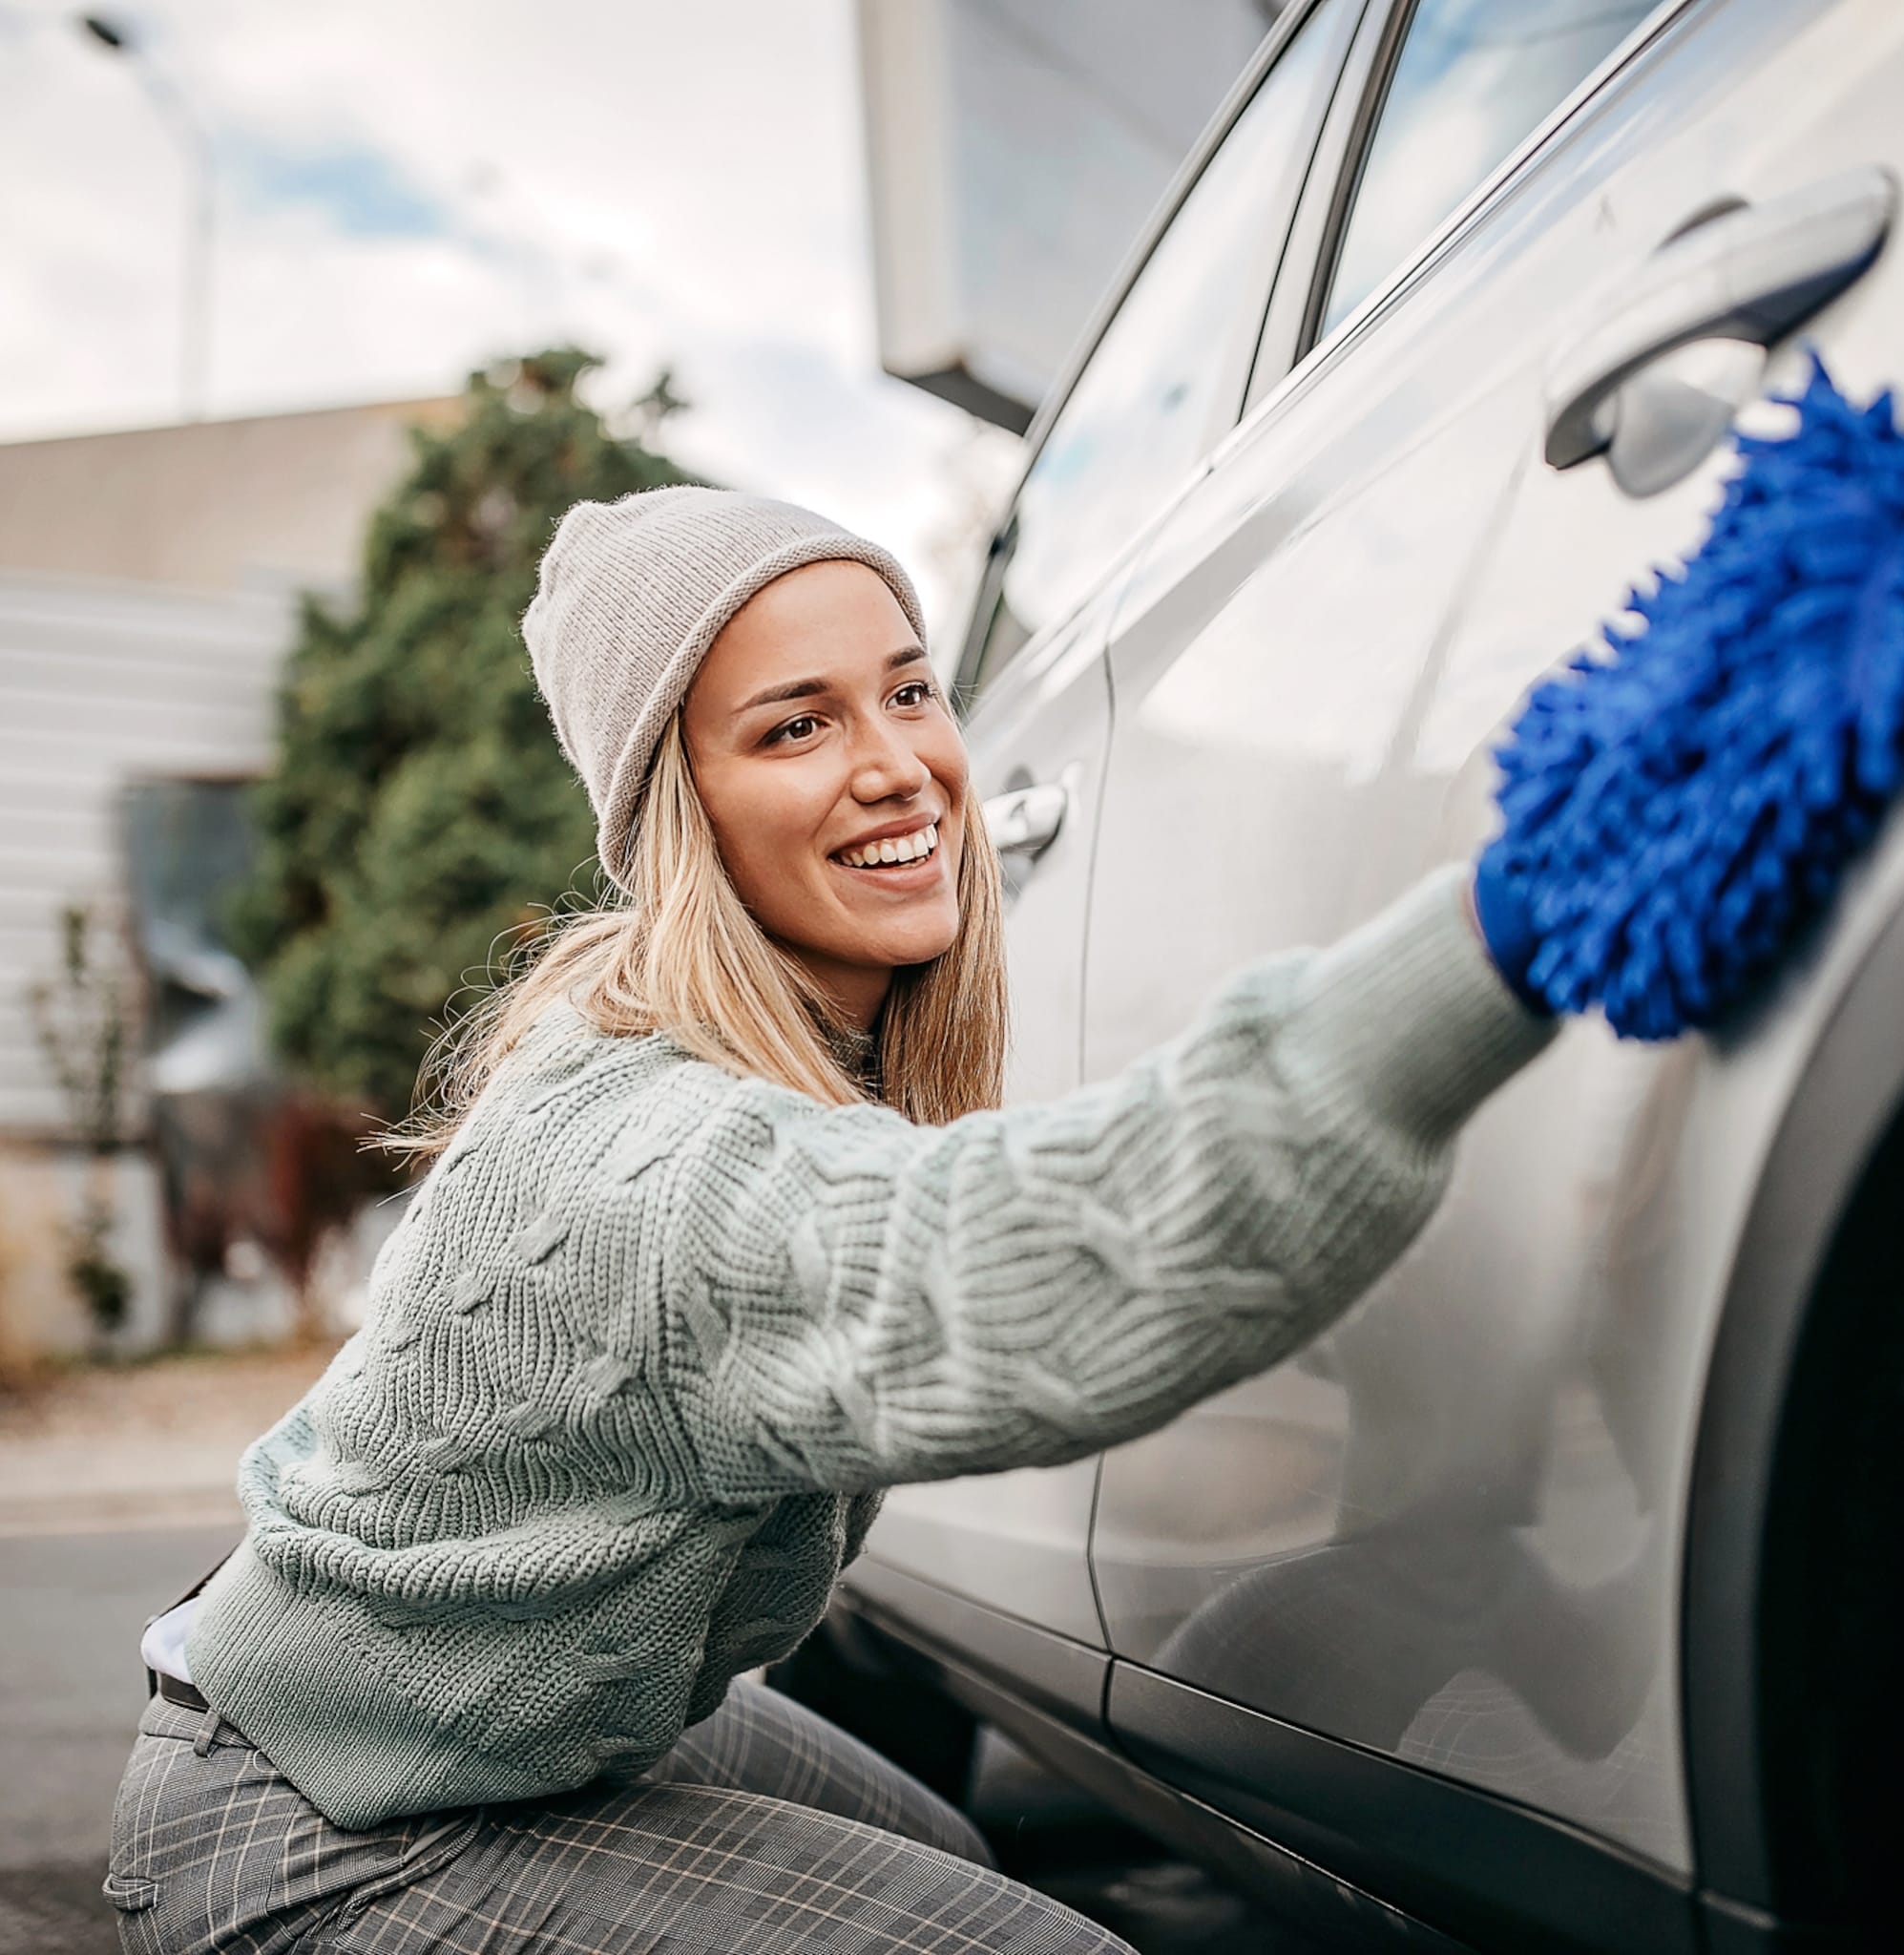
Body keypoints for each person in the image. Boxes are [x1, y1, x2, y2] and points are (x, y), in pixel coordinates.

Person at [108, 485, 1612, 1953]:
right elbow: (1047, 1284)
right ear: (680, 812)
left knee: (948, 1855)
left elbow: (1051, 1183)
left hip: (454, 1737)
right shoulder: (658, 1157)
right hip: (319, 1832)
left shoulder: (754, 1077)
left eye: (910, 691)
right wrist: (1508, 922)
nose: (899, 765)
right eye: (797, 726)